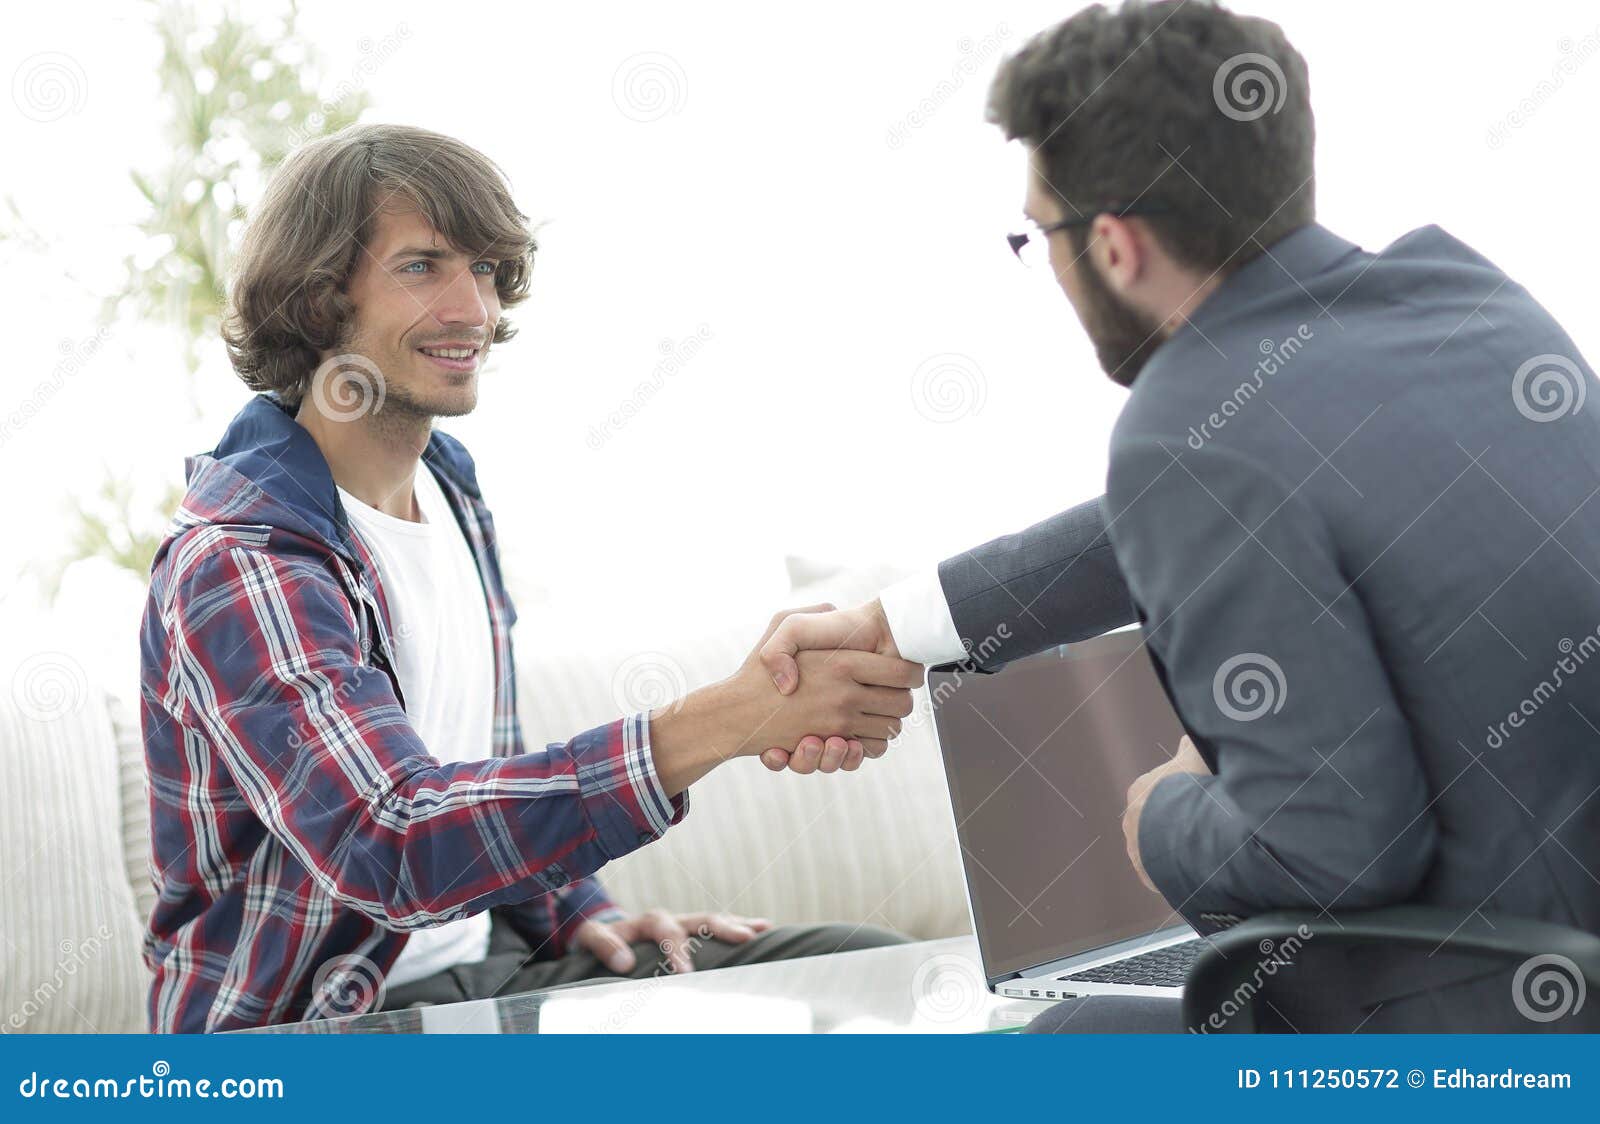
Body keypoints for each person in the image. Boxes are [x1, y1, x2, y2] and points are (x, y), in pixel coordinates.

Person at [759, 0, 1600, 1032]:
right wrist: (899, 625)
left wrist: (1163, 810)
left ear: (1111, 245)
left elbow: (1339, 848)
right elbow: (1228, 484)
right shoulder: (1470, 304)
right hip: (1562, 957)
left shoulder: (1189, 428)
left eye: (1040, 236)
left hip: (1475, 1026)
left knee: (1043, 1048)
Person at [138, 124, 915, 1033]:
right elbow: (394, 842)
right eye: (424, 267)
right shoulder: (244, 558)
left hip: (494, 978)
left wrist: (591, 920)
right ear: (317, 302)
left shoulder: (449, 486)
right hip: (315, 1031)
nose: (475, 307)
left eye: (490, 269)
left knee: (872, 980)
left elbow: (473, 770)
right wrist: (737, 714)